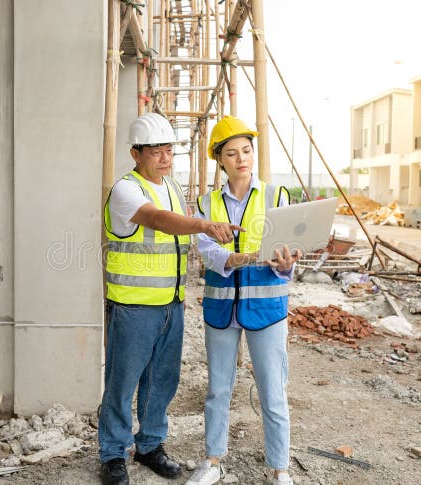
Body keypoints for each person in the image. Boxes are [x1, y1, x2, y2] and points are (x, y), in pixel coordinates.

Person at [99, 112, 243, 485]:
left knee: (162, 381)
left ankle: (149, 446)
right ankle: (113, 454)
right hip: (133, 306)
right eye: (155, 151)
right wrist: (204, 224)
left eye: (169, 150)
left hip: (171, 304)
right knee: (122, 383)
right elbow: (158, 220)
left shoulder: (174, 188)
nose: (165, 158)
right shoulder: (126, 190)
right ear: (135, 153)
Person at [186, 116, 301, 485]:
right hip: (221, 308)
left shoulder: (277, 197)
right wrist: (235, 258)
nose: (241, 159)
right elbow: (207, 254)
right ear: (220, 159)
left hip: (267, 309)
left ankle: (279, 469)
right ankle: (213, 462)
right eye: (232, 153)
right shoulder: (206, 204)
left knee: (273, 391)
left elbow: (290, 257)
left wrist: (286, 266)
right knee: (218, 389)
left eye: (247, 151)